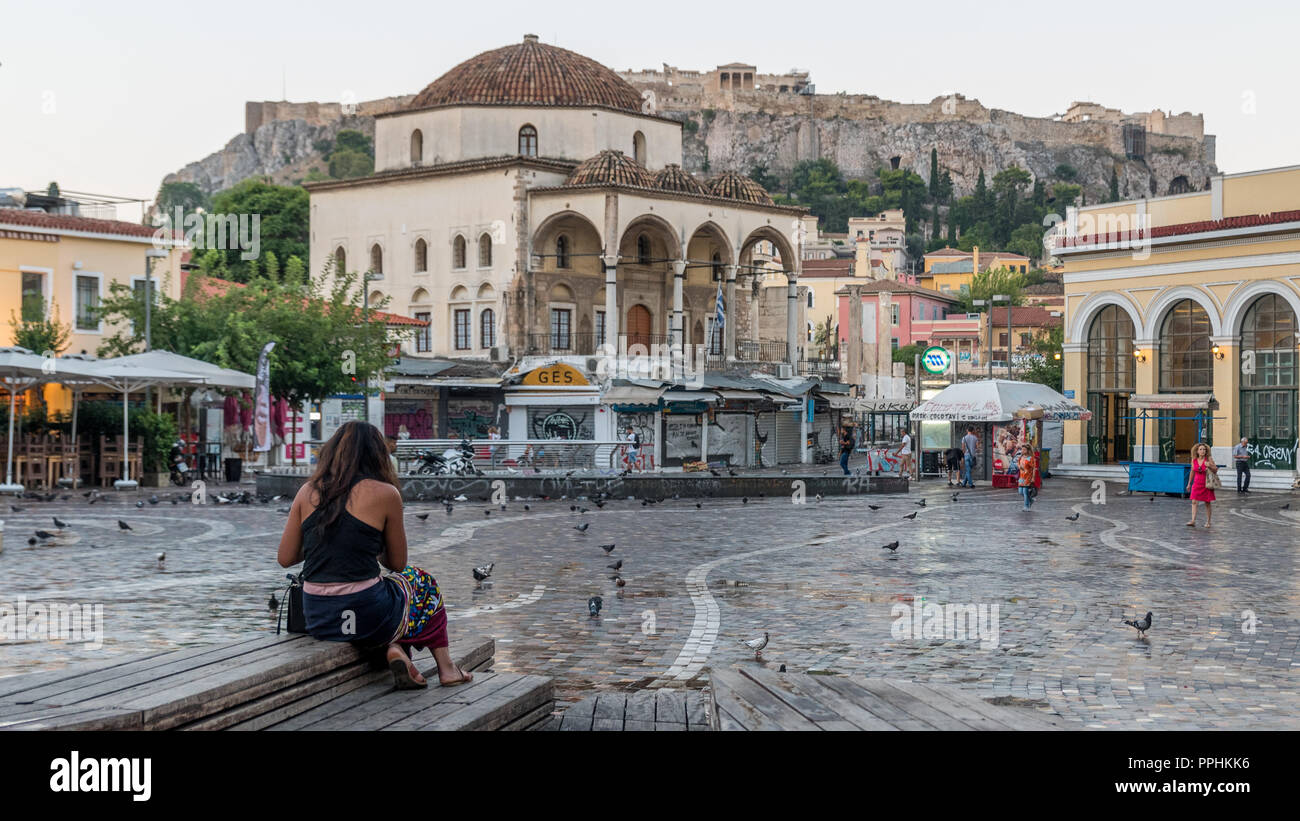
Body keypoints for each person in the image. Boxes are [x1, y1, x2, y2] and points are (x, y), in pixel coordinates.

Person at [277, 421, 472, 689]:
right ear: (378, 455)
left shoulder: (308, 491)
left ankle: (393, 648)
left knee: (382, 610)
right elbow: (397, 563)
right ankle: (446, 668)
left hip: (320, 616)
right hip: (367, 611)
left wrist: (324, 540)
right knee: (422, 582)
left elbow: (285, 558)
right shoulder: (386, 494)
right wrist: (370, 545)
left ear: (332, 452)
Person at [1186, 442, 1219, 528]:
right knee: (1194, 501)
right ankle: (1193, 520)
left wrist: (1210, 466)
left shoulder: (1209, 459)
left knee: (1207, 502)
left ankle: (1208, 521)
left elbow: (1215, 470)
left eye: (1204, 449)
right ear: (1197, 451)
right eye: (1200, 449)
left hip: (1207, 483)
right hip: (1196, 483)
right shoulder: (1194, 460)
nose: (1202, 451)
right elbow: (1192, 472)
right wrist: (1189, 483)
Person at [1017, 445, 1039, 511]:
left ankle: (1026, 506)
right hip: (1021, 477)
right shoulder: (1021, 457)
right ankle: (1031, 500)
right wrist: (1019, 466)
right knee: (1020, 491)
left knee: (1025, 491)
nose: (1022, 451)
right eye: (1022, 449)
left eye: (1024, 449)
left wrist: (1033, 477)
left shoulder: (1031, 458)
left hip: (1028, 476)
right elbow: (1018, 463)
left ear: (1028, 450)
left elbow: (1034, 468)